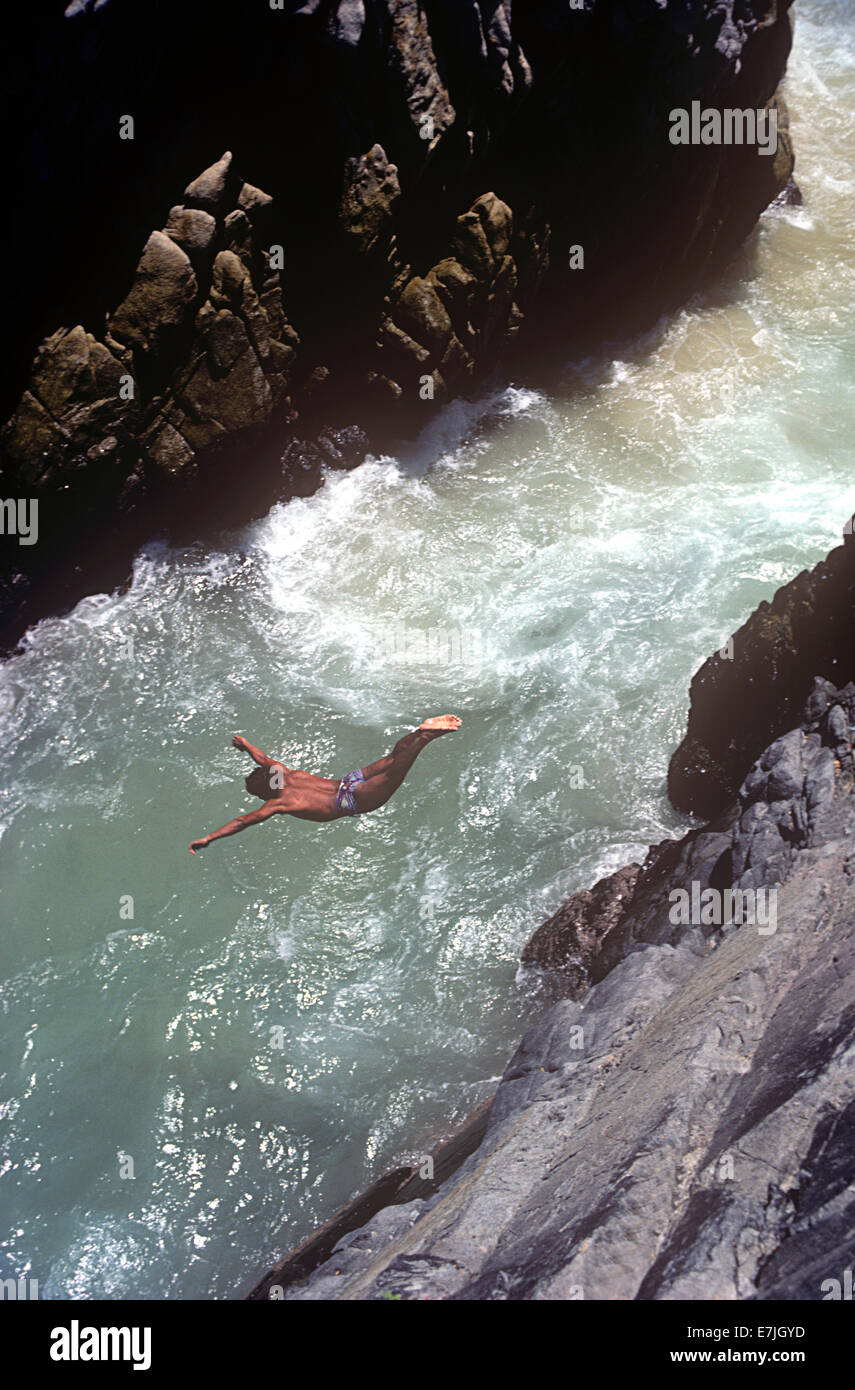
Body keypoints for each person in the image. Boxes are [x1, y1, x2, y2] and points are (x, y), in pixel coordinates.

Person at [189, 715, 462, 853]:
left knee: (394, 774)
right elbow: (262, 759)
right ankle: (418, 733)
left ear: (263, 793)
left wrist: (209, 838)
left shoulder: (279, 803)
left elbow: (241, 821)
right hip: (348, 781)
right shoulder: (283, 772)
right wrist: (246, 744)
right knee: (392, 759)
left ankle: (425, 737)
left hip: (351, 800)